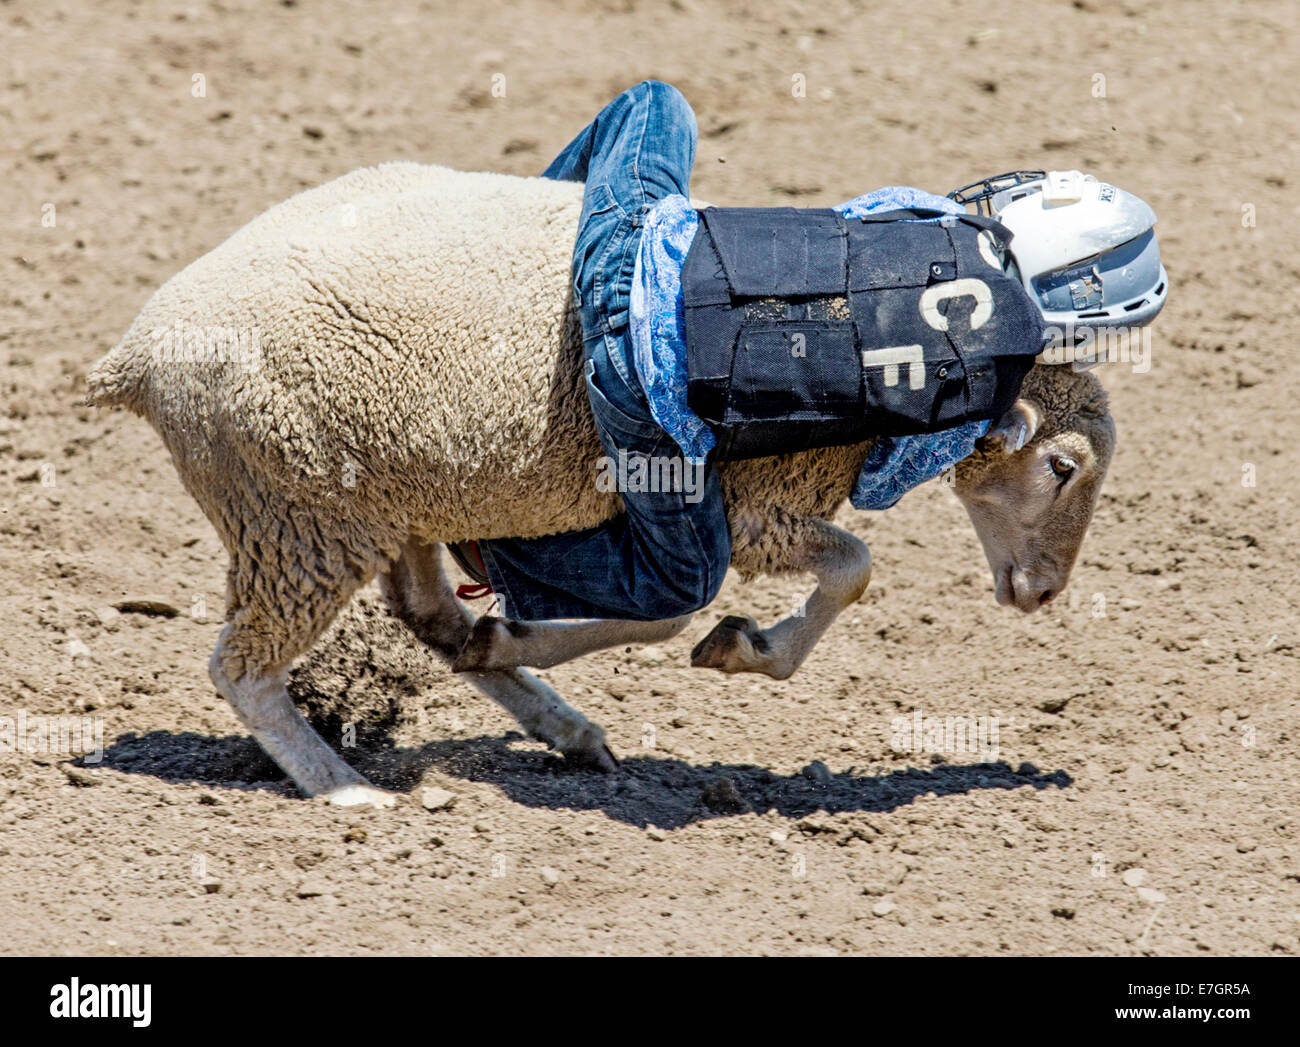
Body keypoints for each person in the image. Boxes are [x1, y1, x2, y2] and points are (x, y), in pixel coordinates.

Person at [451, 81, 1167, 624]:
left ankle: (521, 247)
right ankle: (495, 555)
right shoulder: (965, 397)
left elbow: (849, 220)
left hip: (632, 246)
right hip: (640, 382)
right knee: (682, 578)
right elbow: (875, 487)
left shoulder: (920, 216)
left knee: (658, 104)